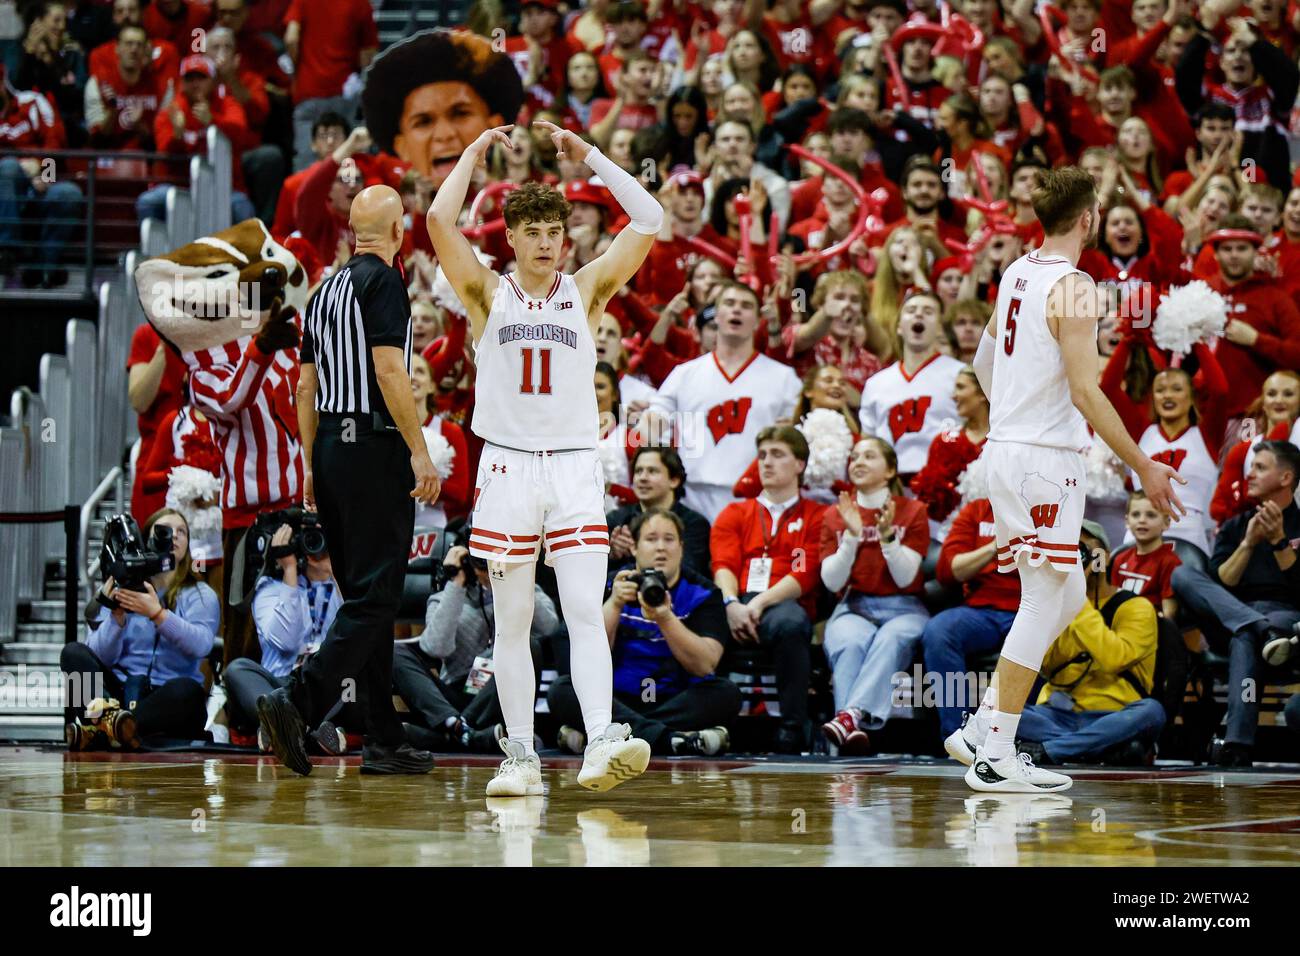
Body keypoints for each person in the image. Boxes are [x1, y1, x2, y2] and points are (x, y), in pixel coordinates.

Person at [427, 118, 662, 796]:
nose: (545, 244)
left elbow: (647, 216)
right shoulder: (485, 293)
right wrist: (472, 150)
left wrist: (588, 154)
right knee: (515, 619)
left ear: (566, 237)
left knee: (586, 610)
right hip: (504, 465)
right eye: (531, 232)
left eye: (555, 233)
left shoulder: (585, 289)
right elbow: (441, 223)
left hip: (572, 465)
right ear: (511, 237)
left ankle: (600, 743)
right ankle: (521, 756)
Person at [949, 166, 1184, 793]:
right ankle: (996, 748)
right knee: (1041, 597)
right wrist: (1143, 466)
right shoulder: (1077, 287)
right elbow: (1085, 391)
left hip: (1011, 451)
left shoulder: (1018, 272)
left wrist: (1010, 417)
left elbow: (981, 359)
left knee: (1067, 589)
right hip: (1043, 461)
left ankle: (980, 728)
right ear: (1089, 217)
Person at [258, 184, 442, 777]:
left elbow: (304, 387)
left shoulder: (323, 291)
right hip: (374, 450)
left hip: (333, 452)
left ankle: (384, 739)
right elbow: (391, 369)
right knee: (375, 597)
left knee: (368, 598)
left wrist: (311, 463)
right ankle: (299, 699)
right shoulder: (384, 281)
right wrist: (419, 450)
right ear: (398, 233)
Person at [549, 509, 741, 756]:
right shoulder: (608, 585)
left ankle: (611, 737)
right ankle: (672, 740)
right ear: (634, 548)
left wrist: (665, 617)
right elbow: (584, 656)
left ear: (682, 547)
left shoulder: (703, 593)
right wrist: (614, 604)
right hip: (616, 699)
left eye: (669, 539)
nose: (661, 548)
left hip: (673, 700)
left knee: (727, 694)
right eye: (651, 539)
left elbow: (705, 665)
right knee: (562, 690)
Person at [1172, 440, 1300, 766]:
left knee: (1245, 636)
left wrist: (1279, 542)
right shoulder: (1234, 526)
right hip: (1238, 616)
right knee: (1184, 575)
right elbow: (1219, 585)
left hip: (1286, 619)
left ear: (1286, 478)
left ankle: (1237, 745)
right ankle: (1258, 627)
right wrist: (1248, 544)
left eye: (1260, 467)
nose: (1250, 475)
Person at [643, 281, 802, 521]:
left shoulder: (783, 378)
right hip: (692, 498)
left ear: (758, 318)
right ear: (716, 315)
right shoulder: (684, 374)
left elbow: (800, 436)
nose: (737, 310)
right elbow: (652, 423)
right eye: (729, 303)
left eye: (746, 305)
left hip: (758, 499)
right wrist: (653, 426)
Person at [711, 425, 826, 753]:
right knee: (703, 621)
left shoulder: (817, 515)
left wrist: (758, 604)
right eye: (762, 455)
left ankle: (792, 726)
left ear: (800, 464)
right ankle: (710, 720)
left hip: (782, 600)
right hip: (737, 597)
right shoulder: (736, 512)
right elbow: (724, 564)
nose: (766, 462)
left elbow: (804, 571)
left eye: (777, 455)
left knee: (790, 623)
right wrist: (732, 603)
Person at [1016, 520, 1167, 765]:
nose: (1075, 557)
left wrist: (1077, 599)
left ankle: (1050, 750)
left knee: (1151, 711)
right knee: (995, 713)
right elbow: (1044, 667)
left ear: (1104, 558)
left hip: (1114, 715)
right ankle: (1095, 748)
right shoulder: (1054, 601)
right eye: (1067, 550)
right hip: (1056, 715)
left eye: (1081, 549)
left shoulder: (1135, 606)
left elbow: (1114, 659)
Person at [63, 509, 220, 743]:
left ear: (188, 545)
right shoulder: (124, 586)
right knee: (73, 654)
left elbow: (202, 646)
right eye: (165, 530)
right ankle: (118, 725)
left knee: (189, 692)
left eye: (182, 532)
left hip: (166, 697)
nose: (174, 536)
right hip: (120, 691)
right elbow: (99, 657)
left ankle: (108, 728)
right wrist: (116, 620)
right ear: (146, 539)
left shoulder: (199, 593)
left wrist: (158, 615)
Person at [394, 531, 558, 753]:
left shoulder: (521, 588)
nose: (487, 570)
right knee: (396, 653)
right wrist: (456, 583)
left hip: (499, 694)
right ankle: (469, 733)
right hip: (455, 693)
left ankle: (456, 732)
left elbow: (549, 627)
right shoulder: (446, 596)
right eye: (481, 563)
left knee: (530, 645)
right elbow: (435, 648)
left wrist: (514, 581)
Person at [818, 437, 930, 754]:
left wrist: (888, 538)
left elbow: (906, 577)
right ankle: (852, 725)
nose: (859, 462)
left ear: (891, 469)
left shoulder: (913, 511)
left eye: (869, 456)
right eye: (853, 457)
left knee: (891, 639)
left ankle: (848, 717)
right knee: (849, 642)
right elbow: (830, 581)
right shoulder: (835, 515)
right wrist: (852, 537)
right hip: (854, 604)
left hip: (905, 607)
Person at [223, 523, 347, 753]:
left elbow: (354, 632)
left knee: (356, 674)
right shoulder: (269, 588)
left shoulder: (343, 587)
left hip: (326, 684)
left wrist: (338, 571)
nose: (318, 547)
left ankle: (281, 727)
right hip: (280, 683)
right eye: (310, 540)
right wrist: (289, 571)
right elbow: (285, 642)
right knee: (237, 669)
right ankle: (288, 723)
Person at [606, 446, 712, 575]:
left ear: (674, 480)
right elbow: (594, 575)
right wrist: (612, 555)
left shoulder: (694, 524)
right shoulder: (615, 520)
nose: (642, 478)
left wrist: (638, 551)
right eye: (638, 471)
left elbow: (689, 572)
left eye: (652, 471)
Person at [1110, 491, 1181, 621]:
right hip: (1118, 624)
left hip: (1150, 629)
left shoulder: (1170, 563)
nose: (1142, 520)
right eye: (1136, 515)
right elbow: (1111, 602)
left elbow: (1168, 616)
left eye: (1151, 515)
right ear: (1127, 521)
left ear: (1166, 522)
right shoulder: (1120, 559)